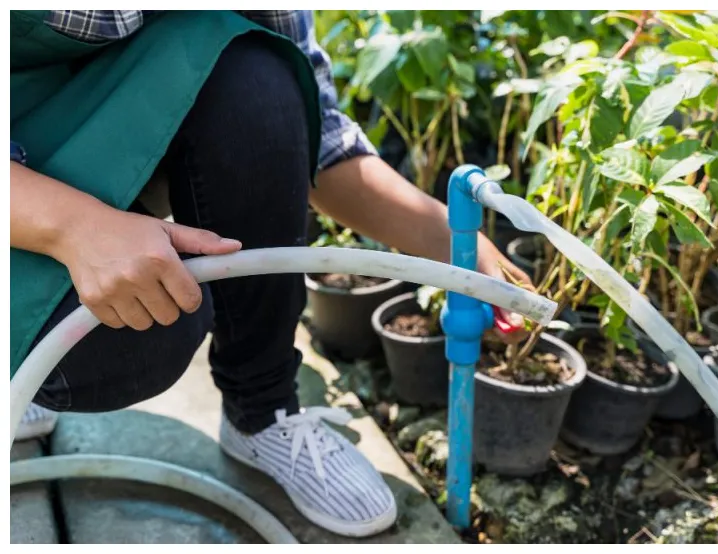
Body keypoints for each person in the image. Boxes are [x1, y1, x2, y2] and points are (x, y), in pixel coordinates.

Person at [11, 10, 532, 537]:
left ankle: (262, 411)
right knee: (128, 338)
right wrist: (73, 229)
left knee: (257, 74)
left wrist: (460, 248)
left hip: (81, 128)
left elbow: (317, 138)